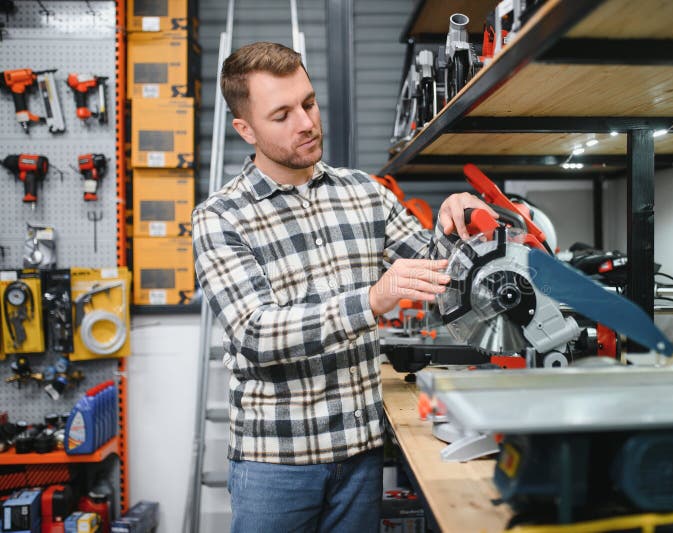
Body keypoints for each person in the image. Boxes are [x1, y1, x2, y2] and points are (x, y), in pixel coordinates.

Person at [192, 41, 497, 532]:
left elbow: (435, 270)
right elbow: (256, 333)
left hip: (359, 455)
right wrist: (373, 299)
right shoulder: (221, 217)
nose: (306, 123)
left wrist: (456, 221)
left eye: (309, 103)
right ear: (245, 129)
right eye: (282, 114)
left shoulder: (363, 193)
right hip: (276, 463)